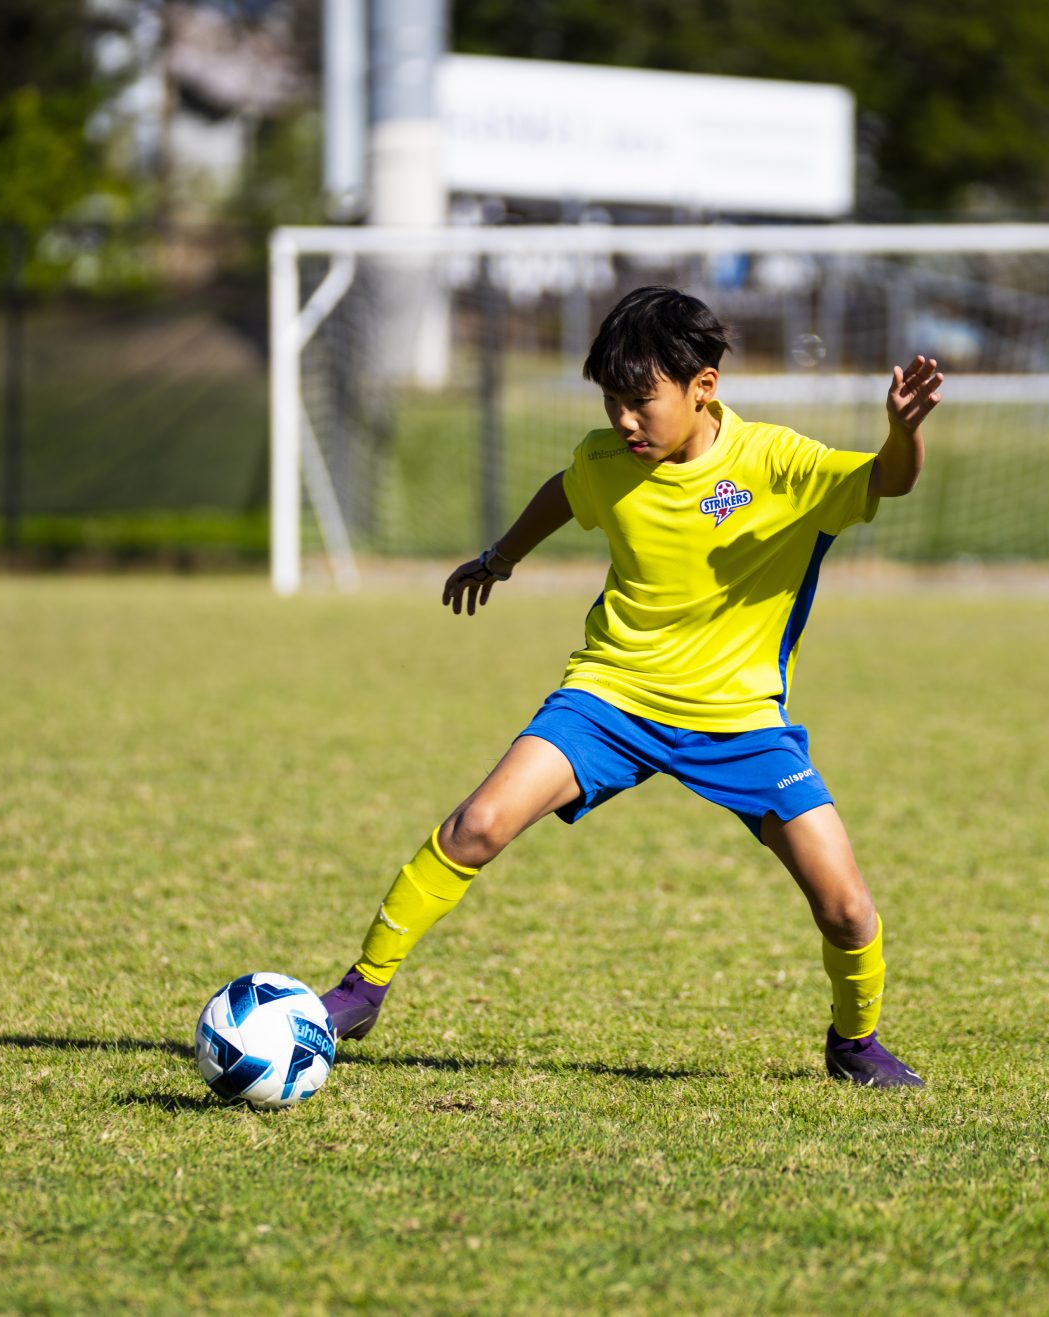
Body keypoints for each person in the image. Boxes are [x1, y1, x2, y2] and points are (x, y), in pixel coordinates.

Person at [318, 286, 941, 1088]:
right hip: (610, 698)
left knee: (848, 909)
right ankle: (362, 989)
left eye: (640, 400)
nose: (623, 420)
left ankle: (855, 1043)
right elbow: (566, 490)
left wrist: (901, 433)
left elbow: (889, 481)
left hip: (740, 721)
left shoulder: (779, 463)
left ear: (703, 386)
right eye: (611, 400)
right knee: (478, 823)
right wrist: (500, 557)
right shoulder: (607, 461)